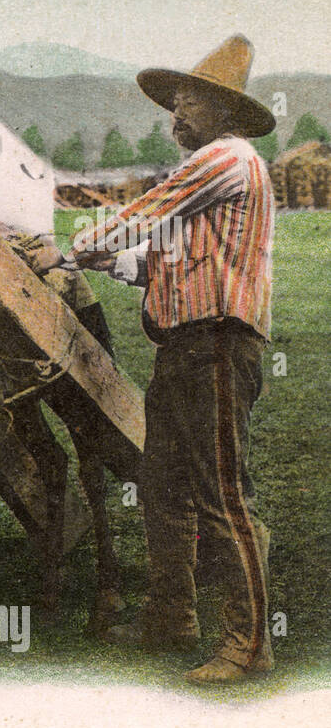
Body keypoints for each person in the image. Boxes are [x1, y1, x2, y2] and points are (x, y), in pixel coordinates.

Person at [57, 35, 277, 684]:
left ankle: (248, 642)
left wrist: (77, 247)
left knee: (224, 496)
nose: (174, 116)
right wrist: (110, 261)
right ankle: (172, 617)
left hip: (216, 350)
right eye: (173, 105)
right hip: (181, 351)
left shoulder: (228, 159)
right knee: (164, 488)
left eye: (186, 104)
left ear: (224, 112)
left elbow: (150, 210)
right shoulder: (209, 181)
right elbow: (161, 261)